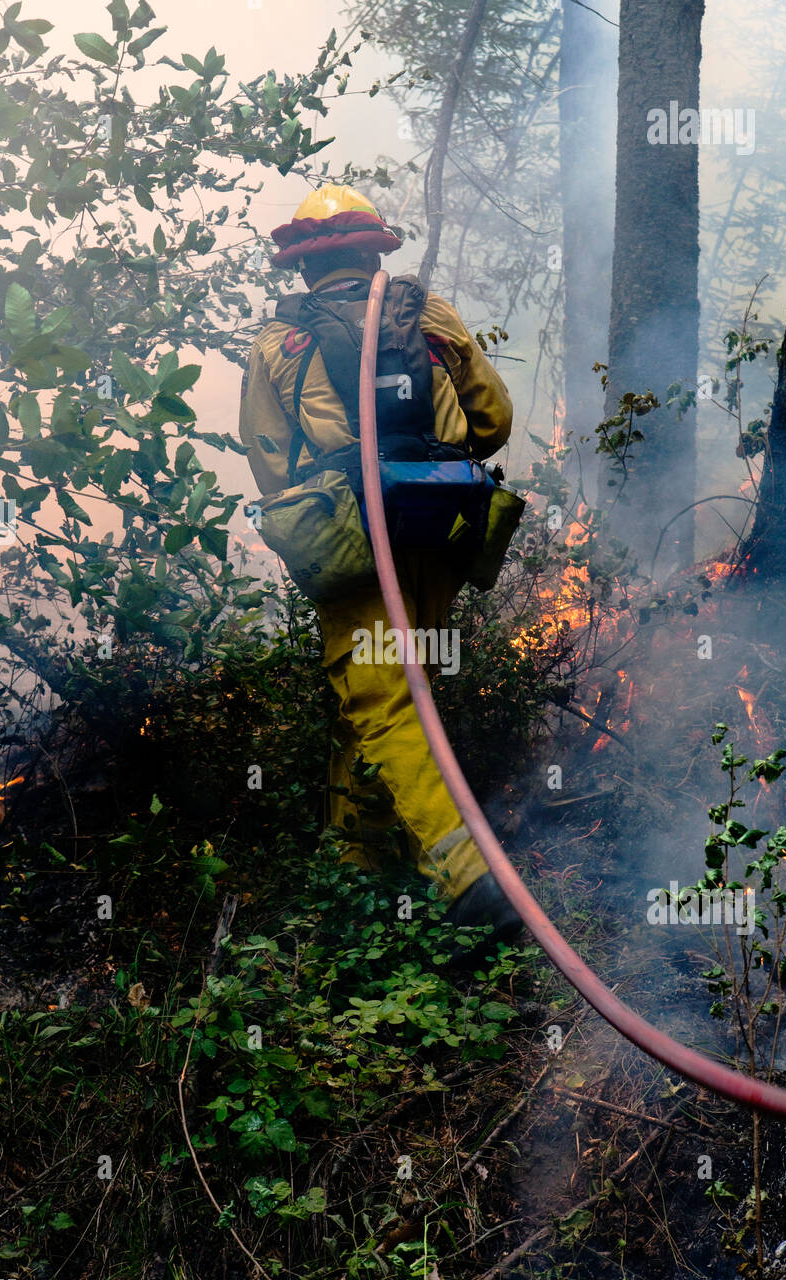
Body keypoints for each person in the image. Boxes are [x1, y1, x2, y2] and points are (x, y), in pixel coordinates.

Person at [239, 183, 522, 952]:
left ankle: (467, 875)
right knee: (383, 694)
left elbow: (271, 468)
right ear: (375, 251)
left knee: (385, 702)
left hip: (353, 543)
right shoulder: (425, 313)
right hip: (437, 525)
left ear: (301, 267)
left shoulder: (277, 342)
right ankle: (359, 868)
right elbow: (492, 422)